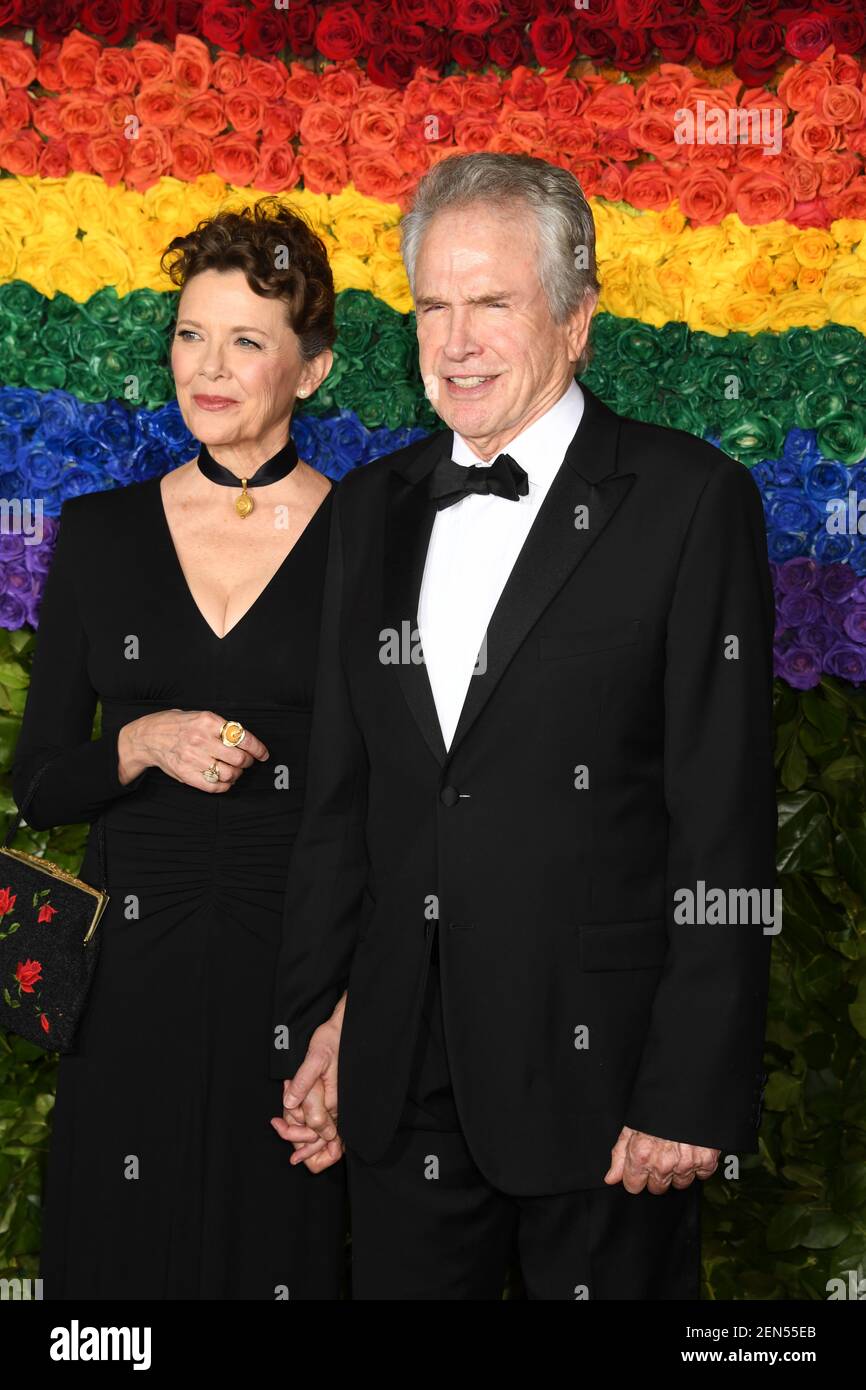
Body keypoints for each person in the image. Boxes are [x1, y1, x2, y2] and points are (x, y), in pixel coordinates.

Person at [270, 153, 777, 1300]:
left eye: (491, 302)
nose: (454, 342)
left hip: (603, 1084)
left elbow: (723, 820)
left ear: (576, 319)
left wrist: (688, 1088)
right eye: (432, 306)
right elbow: (345, 802)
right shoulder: (369, 511)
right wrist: (321, 1020)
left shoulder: (689, 501)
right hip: (399, 1077)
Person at [12, 197, 346, 1299]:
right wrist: (140, 742)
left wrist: (351, 1012)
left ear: (310, 370)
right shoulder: (102, 533)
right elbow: (38, 783)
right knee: (121, 1269)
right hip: (128, 981)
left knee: (276, 1245)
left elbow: (400, 801)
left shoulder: (370, 540)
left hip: (293, 971)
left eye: (247, 340)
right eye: (191, 335)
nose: (208, 365)